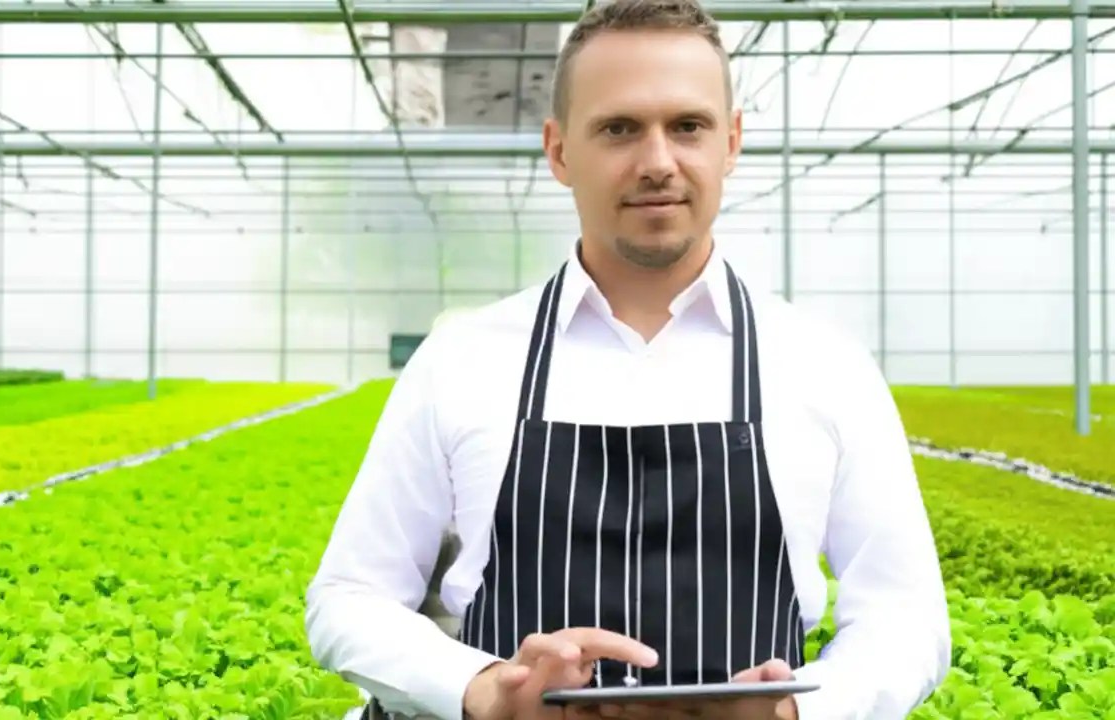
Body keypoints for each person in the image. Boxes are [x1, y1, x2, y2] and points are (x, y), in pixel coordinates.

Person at [304, 0, 952, 718]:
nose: (658, 163)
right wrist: (483, 689)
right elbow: (351, 596)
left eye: (688, 126)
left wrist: (796, 711)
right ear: (559, 151)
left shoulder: (824, 365)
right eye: (619, 129)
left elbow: (905, 617)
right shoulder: (462, 360)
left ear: (731, 142)